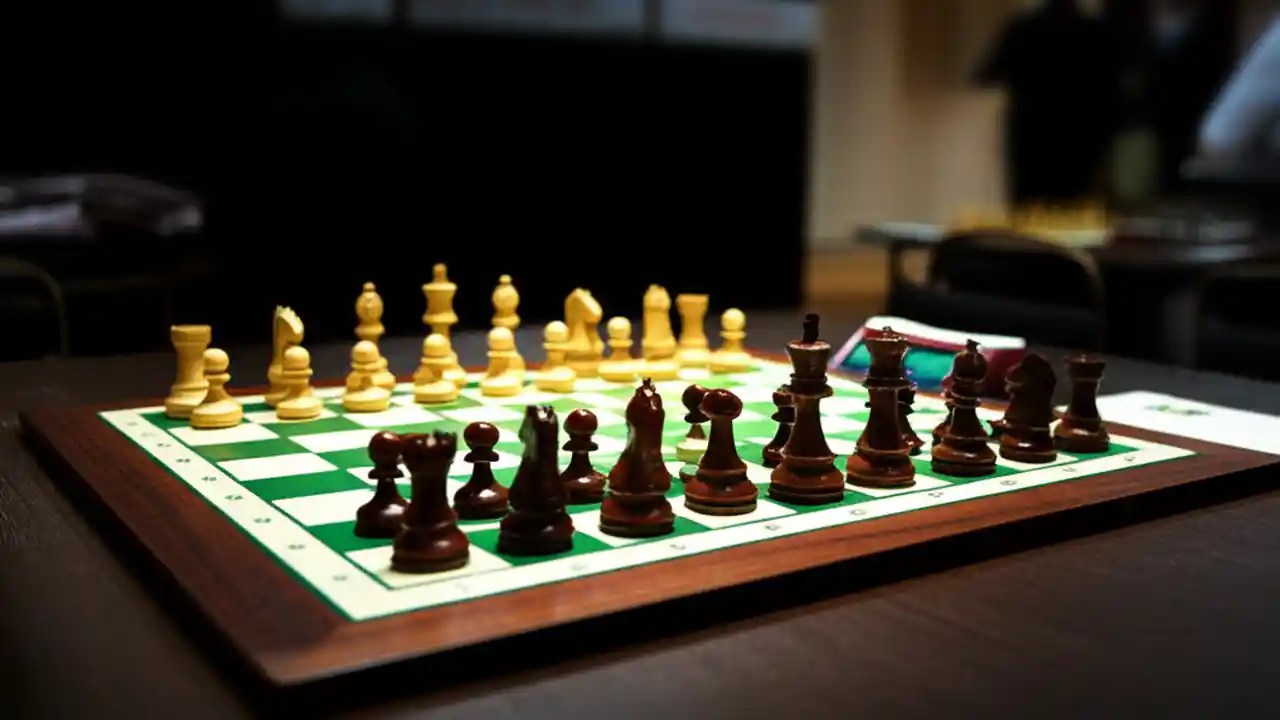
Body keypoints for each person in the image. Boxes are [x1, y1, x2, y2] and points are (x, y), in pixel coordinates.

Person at [976, 0, 1123, 205]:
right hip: (1080, 140)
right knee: (1073, 215)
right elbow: (1114, 90)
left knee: (1029, 216)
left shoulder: (1025, 28)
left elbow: (986, 74)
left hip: (1030, 139)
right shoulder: (1094, 32)